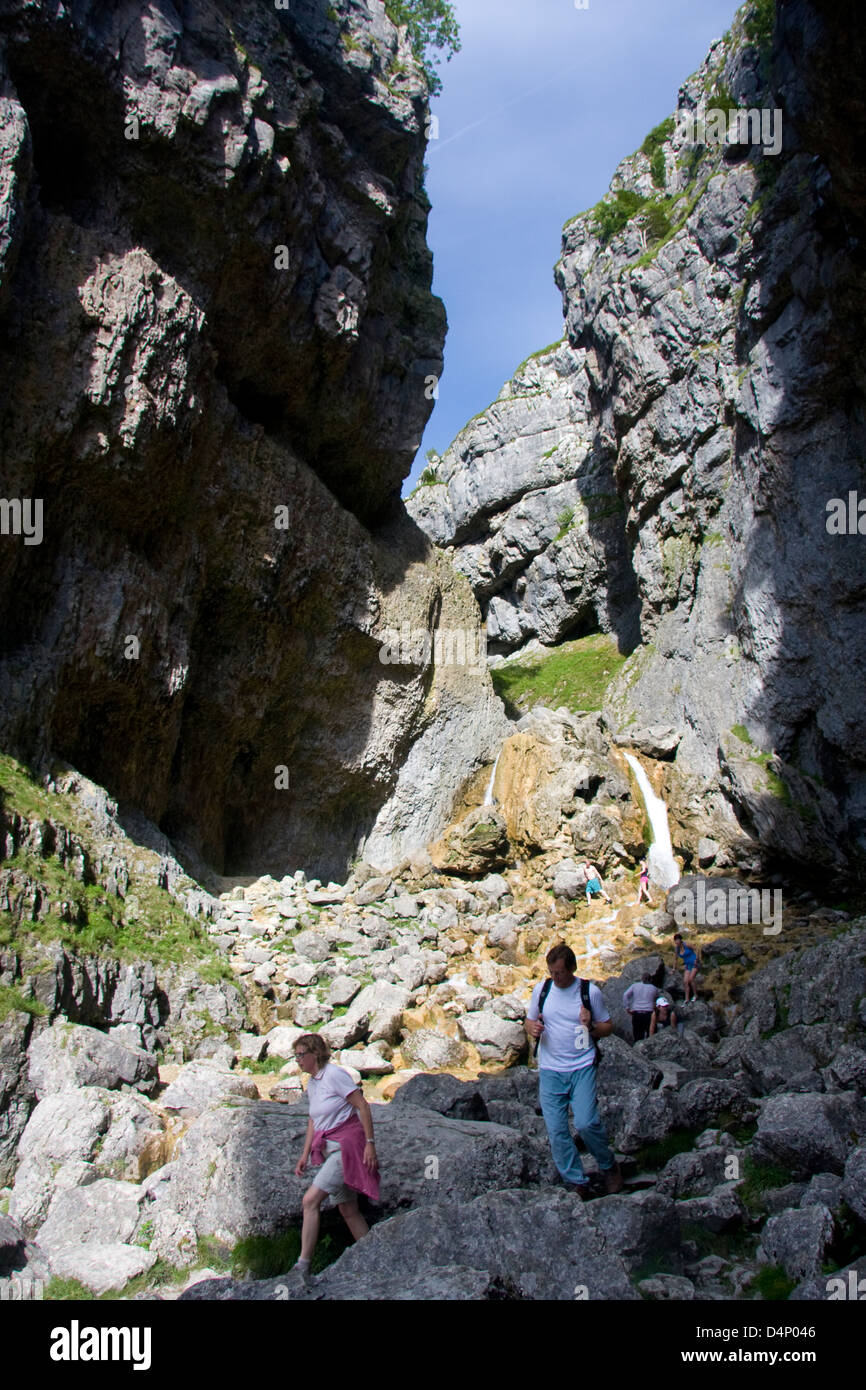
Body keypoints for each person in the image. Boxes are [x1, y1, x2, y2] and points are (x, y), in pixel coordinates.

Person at [525, 942, 622, 1197]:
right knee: (557, 1132)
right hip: (550, 1068)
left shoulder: (589, 992)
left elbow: (608, 1027)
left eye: (559, 972)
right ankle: (577, 1180)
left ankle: (608, 1166)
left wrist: (590, 1026)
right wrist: (532, 1028)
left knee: (586, 1122)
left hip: (581, 1065)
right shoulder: (542, 990)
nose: (554, 977)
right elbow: (529, 1019)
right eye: (551, 972)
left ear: (572, 969)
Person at [293, 1034, 379, 1275]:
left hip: (346, 1149)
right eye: (296, 1055)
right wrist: (305, 1153)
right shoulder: (312, 1082)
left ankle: (303, 1265)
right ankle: (375, 1258)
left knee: (310, 1201)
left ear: (315, 1054)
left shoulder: (334, 1076)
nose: (297, 1060)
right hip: (330, 1148)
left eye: (301, 1055)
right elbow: (314, 1119)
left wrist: (370, 1144)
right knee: (348, 1210)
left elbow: (362, 1105)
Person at [623, 973, 658, 1042]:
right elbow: (656, 999)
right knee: (650, 1034)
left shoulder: (635, 986)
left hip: (637, 1013)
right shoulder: (654, 988)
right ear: (651, 979)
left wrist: (627, 1007)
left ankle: (637, 1049)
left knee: (637, 1035)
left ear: (641, 979)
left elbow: (625, 995)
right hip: (649, 1013)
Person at [673, 933, 701, 1003]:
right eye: (675, 940)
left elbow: (697, 948)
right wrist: (673, 968)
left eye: (677, 940)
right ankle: (687, 999)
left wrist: (697, 959)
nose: (676, 942)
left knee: (691, 979)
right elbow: (675, 959)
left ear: (680, 940)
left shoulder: (686, 944)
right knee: (685, 981)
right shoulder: (677, 949)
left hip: (695, 964)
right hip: (688, 965)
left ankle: (695, 995)